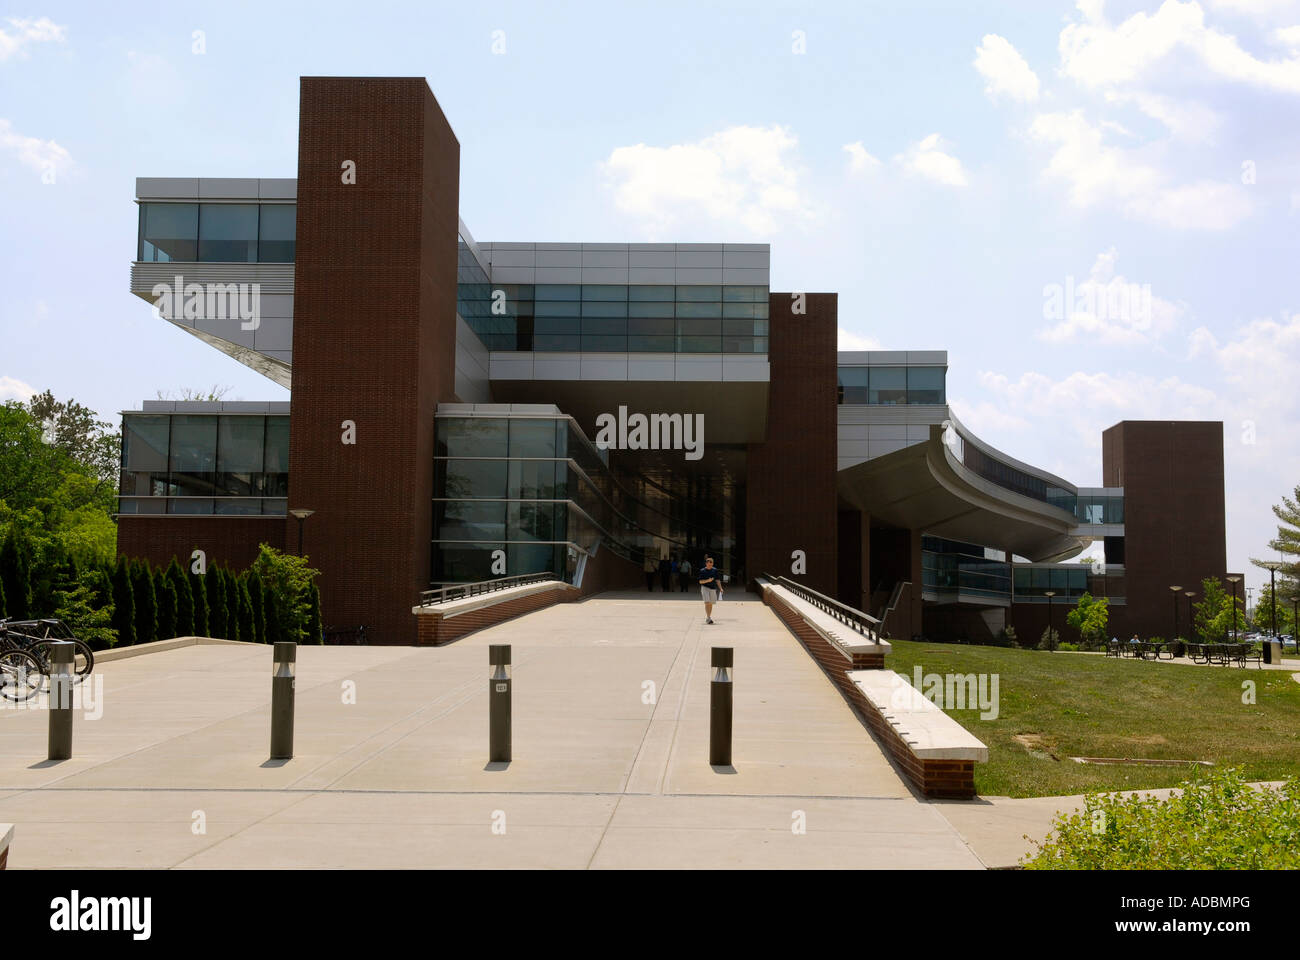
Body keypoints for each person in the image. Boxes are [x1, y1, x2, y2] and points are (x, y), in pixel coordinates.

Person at [698, 556, 724, 624]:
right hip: (705, 588)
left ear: (712, 564)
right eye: (708, 563)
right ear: (706, 564)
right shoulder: (702, 571)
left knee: (711, 603)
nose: (710, 564)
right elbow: (700, 582)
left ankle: (708, 617)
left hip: (713, 588)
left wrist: (720, 588)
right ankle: (708, 618)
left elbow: (717, 580)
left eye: (711, 563)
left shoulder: (715, 570)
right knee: (707, 602)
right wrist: (708, 580)